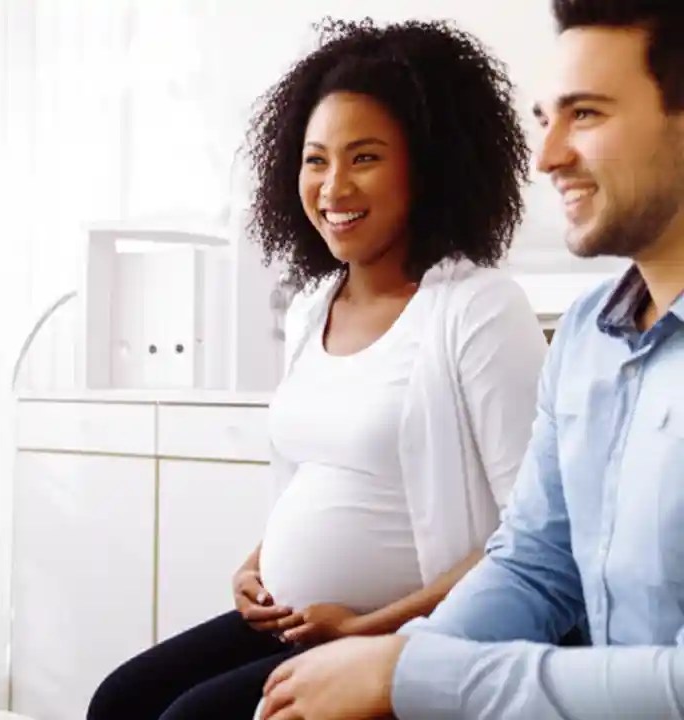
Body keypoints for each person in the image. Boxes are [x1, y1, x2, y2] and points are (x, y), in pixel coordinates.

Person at [87, 18, 546, 720]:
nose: (333, 186)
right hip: (300, 624)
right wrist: (255, 564)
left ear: (427, 166)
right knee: (120, 701)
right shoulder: (310, 307)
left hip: (407, 639)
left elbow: (531, 537)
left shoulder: (478, 310)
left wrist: (368, 626)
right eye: (315, 159)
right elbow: (320, 474)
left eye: (364, 158)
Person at [258, 1, 684, 719]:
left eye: (586, 115)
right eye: (547, 117)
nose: (547, 156)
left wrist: (406, 672)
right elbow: (536, 569)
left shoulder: (475, 309)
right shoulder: (587, 337)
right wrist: (390, 665)